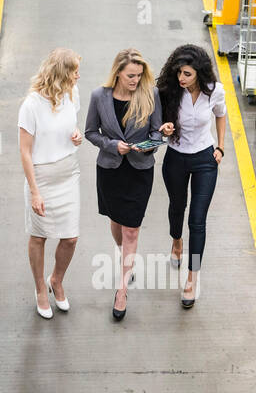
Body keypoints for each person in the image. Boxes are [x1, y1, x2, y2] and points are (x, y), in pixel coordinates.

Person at [84, 48, 173, 321]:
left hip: (139, 170)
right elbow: (90, 132)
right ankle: (126, 256)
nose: (136, 80)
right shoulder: (99, 96)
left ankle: (122, 290)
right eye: (131, 76)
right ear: (118, 74)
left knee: (131, 229)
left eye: (139, 75)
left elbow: (156, 132)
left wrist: (154, 141)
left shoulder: (151, 94)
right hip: (110, 170)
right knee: (116, 222)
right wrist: (113, 146)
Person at [157, 43, 227, 308]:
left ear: (198, 72)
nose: (181, 78)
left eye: (186, 74)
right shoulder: (170, 92)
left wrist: (220, 146)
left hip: (204, 159)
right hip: (175, 157)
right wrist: (163, 129)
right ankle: (176, 241)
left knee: (197, 220)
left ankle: (192, 276)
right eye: (178, 73)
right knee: (177, 208)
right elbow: (157, 124)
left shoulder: (215, 92)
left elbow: (221, 116)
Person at [18, 48, 84, 319]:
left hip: (68, 173)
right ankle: (40, 290)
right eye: (75, 71)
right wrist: (35, 191)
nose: (79, 76)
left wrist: (76, 136)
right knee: (39, 236)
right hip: (42, 177)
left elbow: (71, 126)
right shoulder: (31, 105)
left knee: (70, 237)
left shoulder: (72, 94)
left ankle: (56, 279)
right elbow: (24, 151)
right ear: (61, 74)